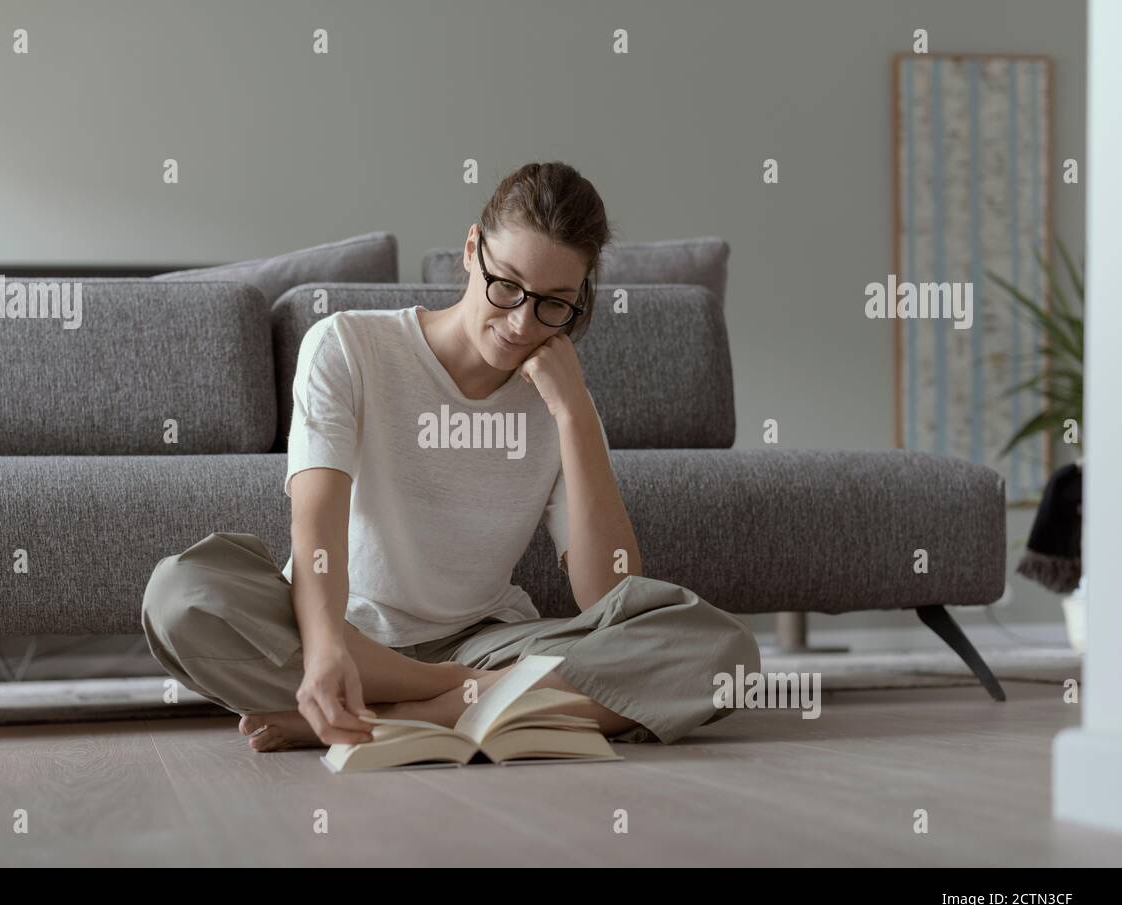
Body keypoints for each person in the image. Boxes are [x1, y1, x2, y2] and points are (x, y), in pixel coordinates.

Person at [141, 161, 760, 752]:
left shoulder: (559, 400)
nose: (522, 323)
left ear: (581, 299)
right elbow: (316, 528)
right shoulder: (348, 345)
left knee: (721, 652)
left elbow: (611, 595)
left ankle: (395, 720)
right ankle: (465, 703)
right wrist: (327, 647)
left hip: (484, 647)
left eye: (554, 304)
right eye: (507, 286)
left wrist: (574, 414)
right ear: (471, 250)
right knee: (181, 594)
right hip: (347, 635)